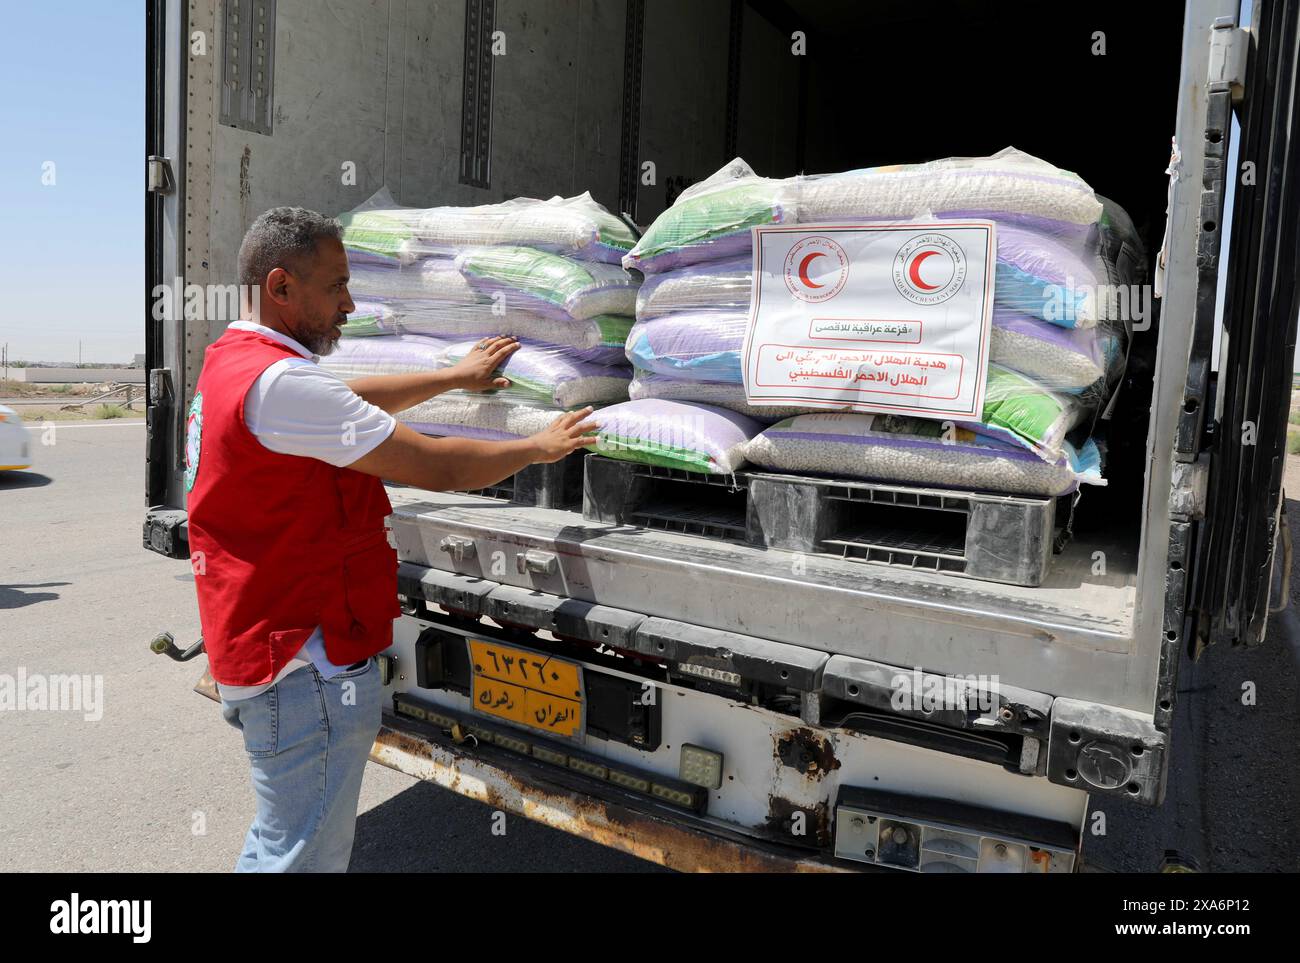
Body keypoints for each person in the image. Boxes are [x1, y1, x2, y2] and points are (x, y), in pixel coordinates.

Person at [185, 206, 598, 872]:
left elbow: (345, 395)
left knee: (283, 843)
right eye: (336, 285)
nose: (350, 303)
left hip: (264, 652)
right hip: (303, 667)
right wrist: (537, 445)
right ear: (281, 287)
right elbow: (439, 466)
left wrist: (451, 378)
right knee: (299, 857)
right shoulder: (285, 386)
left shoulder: (236, 361)